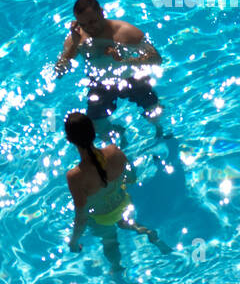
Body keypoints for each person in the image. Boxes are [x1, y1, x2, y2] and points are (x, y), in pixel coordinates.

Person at [64, 111, 169, 272]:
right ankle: (145, 231)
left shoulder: (75, 176)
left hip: (102, 218)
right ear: (93, 131)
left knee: (110, 241)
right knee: (125, 221)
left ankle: (117, 267)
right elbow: (132, 178)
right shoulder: (114, 151)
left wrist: (73, 241)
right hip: (124, 203)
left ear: (70, 140)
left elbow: (81, 216)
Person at [54, 0, 165, 138]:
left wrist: (124, 60)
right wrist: (74, 46)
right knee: (97, 127)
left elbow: (156, 59)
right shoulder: (76, 39)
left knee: (155, 114)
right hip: (101, 84)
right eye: (83, 25)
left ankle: (159, 133)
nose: (89, 28)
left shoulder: (125, 32)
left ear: (101, 12)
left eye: (93, 22)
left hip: (132, 79)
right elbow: (59, 73)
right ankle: (119, 133)